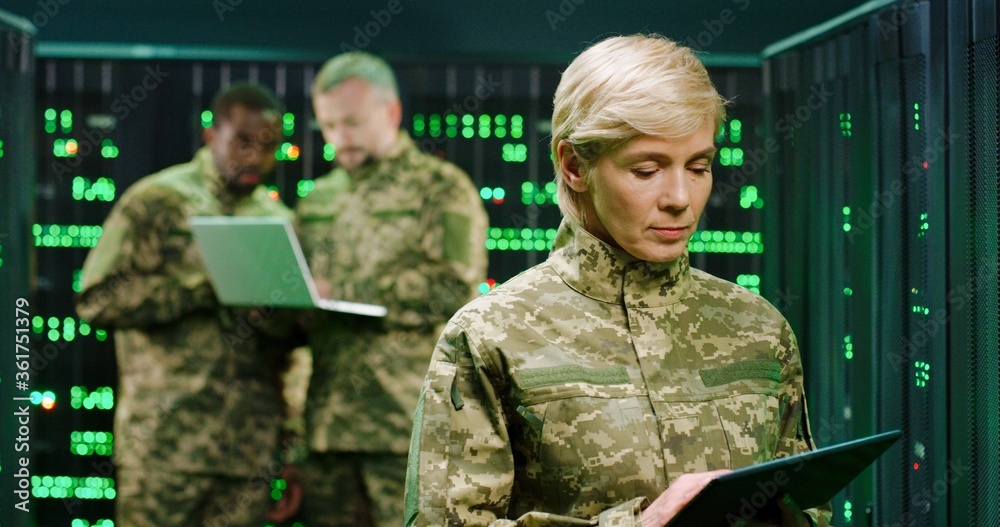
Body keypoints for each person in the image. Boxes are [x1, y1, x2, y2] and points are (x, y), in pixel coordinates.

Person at [404, 34, 833, 527]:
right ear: (573, 166)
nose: (680, 197)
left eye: (699, 167)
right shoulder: (489, 336)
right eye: (647, 169)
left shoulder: (758, 329)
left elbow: (811, 510)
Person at [76, 82, 301, 526]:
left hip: (247, 453)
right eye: (242, 141)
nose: (255, 157)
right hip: (163, 447)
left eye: (268, 146)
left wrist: (293, 447)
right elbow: (96, 299)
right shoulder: (157, 202)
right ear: (211, 134)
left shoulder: (278, 223)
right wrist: (202, 289)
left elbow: (292, 354)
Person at [295, 52, 489, 527]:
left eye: (353, 122)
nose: (341, 138)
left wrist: (342, 288)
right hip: (326, 429)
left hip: (405, 428)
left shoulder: (440, 189)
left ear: (392, 113)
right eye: (330, 126)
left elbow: (451, 289)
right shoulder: (318, 200)